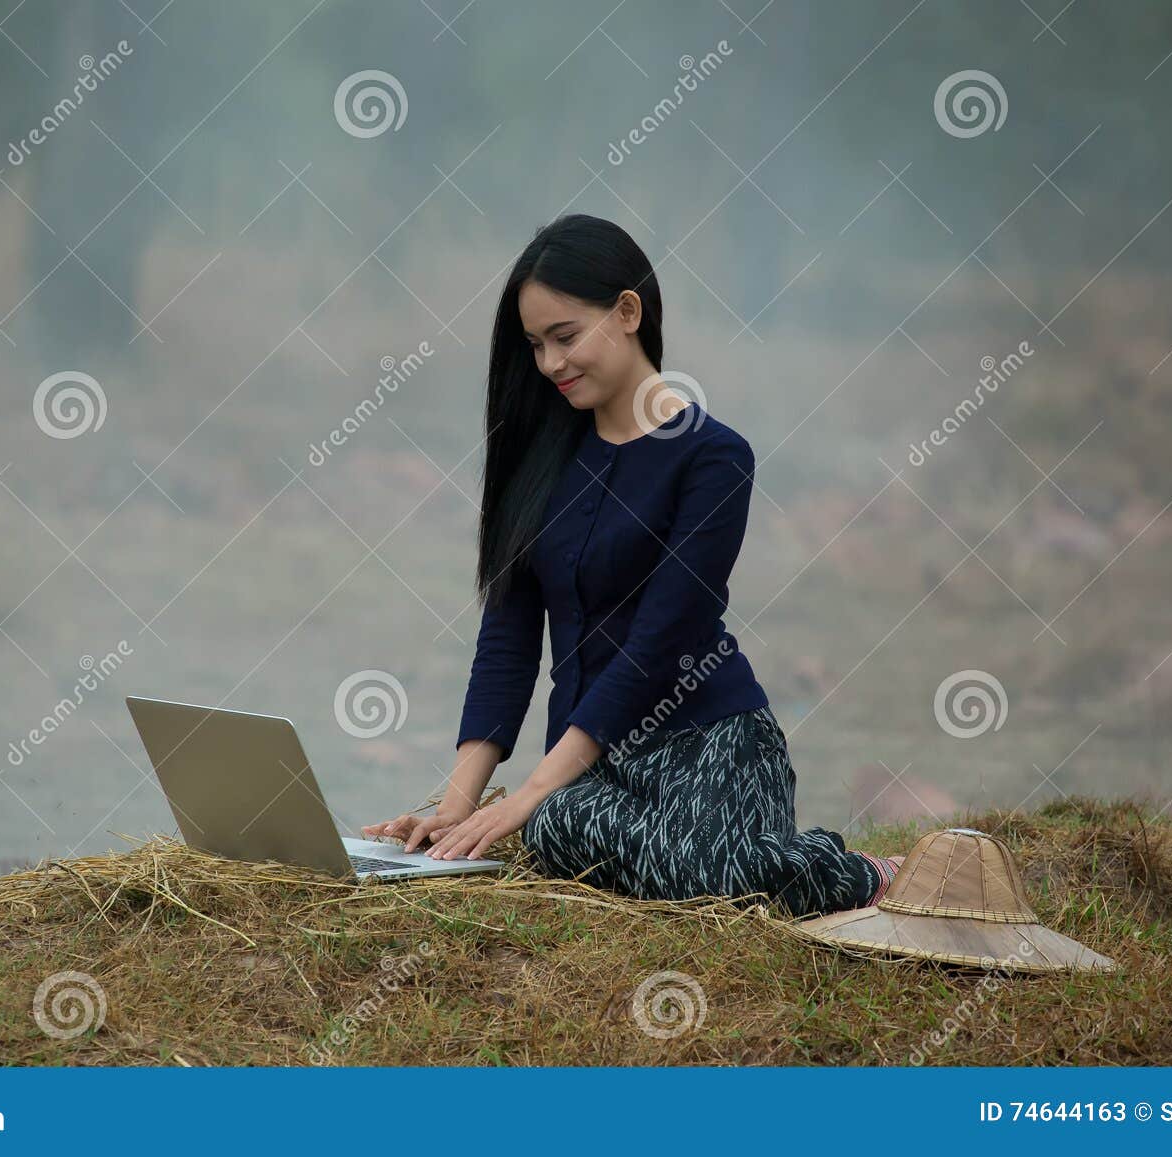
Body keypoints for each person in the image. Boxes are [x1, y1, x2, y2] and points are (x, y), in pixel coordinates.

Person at [363, 213, 902, 916]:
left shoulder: (713, 457)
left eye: (565, 337)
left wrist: (528, 792)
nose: (550, 364)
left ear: (627, 312)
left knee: (677, 875)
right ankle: (747, 858)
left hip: (709, 744)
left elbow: (658, 643)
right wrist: (454, 811)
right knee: (557, 827)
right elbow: (508, 641)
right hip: (588, 767)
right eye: (534, 346)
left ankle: (854, 870)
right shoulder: (541, 459)